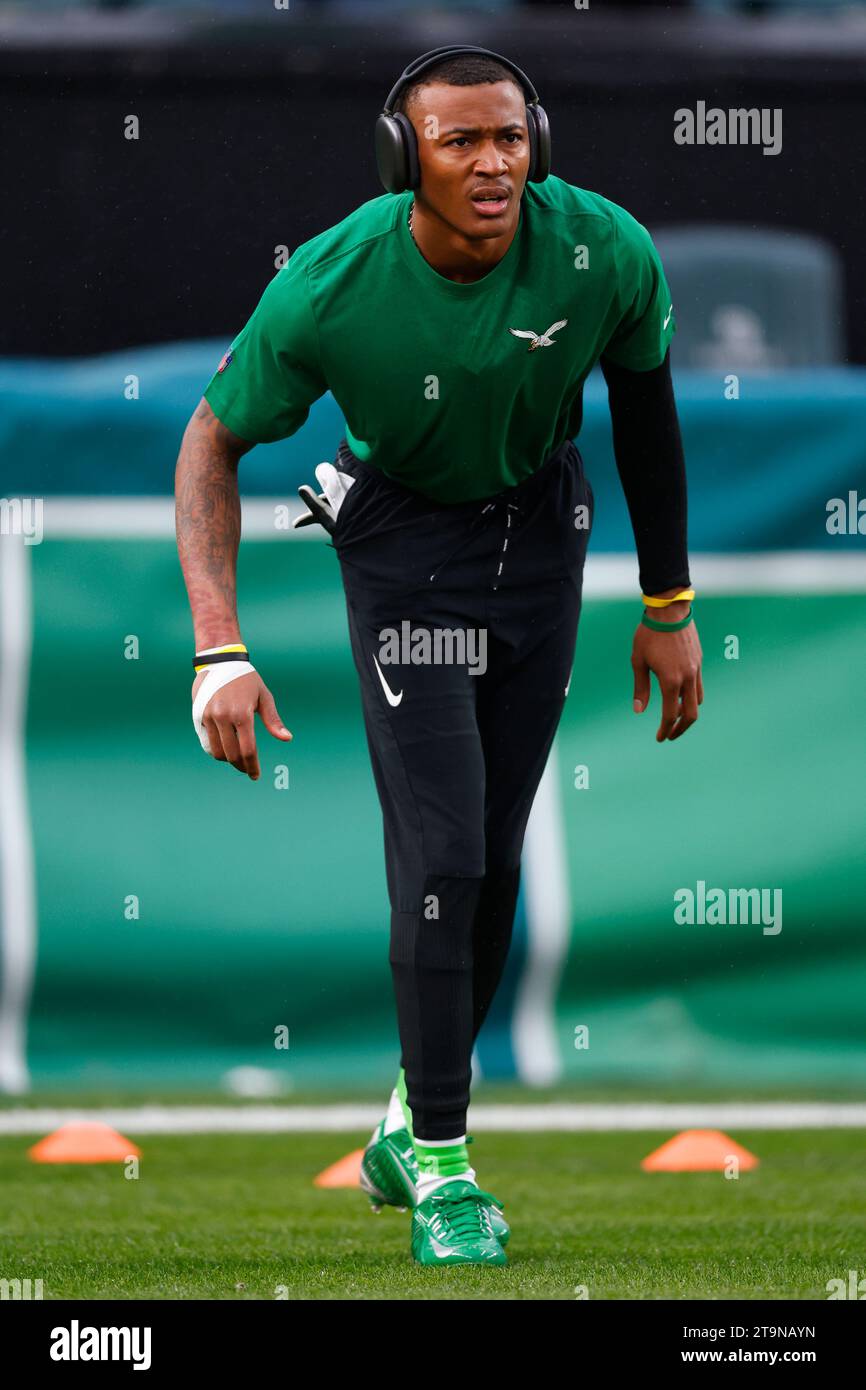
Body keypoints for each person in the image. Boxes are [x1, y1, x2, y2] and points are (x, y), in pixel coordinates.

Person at [174, 45, 703, 1268]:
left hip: (543, 529)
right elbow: (210, 442)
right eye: (459, 141)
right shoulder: (332, 283)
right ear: (403, 156)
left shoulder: (602, 247)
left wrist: (668, 602)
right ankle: (451, 1172)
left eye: (508, 137)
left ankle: (411, 1123)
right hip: (404, 542)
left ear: (540, 143)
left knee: (493, 864)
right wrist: (216, 647)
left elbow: (651, 416)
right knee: (445, 851)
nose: (491, 163)